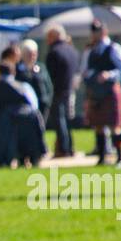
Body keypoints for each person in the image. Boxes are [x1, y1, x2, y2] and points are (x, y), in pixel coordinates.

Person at [0, 46, 45, 167]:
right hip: (26, 128)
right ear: (14, 72)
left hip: (1, 129)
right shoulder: (24, 88)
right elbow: (34, 106)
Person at [82, 19, 121, 165]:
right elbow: (84, 69)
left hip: (110, 90)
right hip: (95, 91)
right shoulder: (90, 51)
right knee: (98, 125)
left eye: (97, 31)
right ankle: (102, 157)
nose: (94, 34)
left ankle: (120, 156)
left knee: (114, 125)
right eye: (93, 31)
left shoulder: (114, 48)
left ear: (104, 31)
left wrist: (109, 75)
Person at [43, 24, 79, 158]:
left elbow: (50, 76)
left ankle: (63, 149)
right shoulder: (72, 50)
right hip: (70, 90)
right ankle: (69, 147)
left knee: (60, 121)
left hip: (57, 90)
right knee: (67, 121)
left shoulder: (54, 52)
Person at [16, 39, 52, 122]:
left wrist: (47, 100)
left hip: (42, 104)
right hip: (24, 106)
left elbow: (48, 86)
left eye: (34, 54)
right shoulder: (17, 69)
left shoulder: (41, 68)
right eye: (29, 54)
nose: (32, 57)